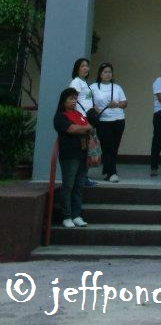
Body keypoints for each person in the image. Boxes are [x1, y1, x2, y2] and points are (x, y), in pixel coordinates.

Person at [53, 87, 93, 228]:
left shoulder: (78, 114)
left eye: (75, 99)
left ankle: (76, 215)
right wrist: (85, 128)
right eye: (70, 99)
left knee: (79, 186)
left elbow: (89, 126)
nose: (74, 101)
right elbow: (72, 129)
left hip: (82, 154)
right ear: (64, 101)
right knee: (68, 185)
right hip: (69, 155)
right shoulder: (60, 116)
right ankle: (66, 216)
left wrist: (85, 127)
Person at [90, 62, 128, 183]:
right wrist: (94, 107)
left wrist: (116, 104)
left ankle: (107, 169)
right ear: (100, 74)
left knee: (114, 147)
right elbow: (88, 102)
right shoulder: (93, 87)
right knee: (108, 146)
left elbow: (124, 103)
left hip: (118, 120)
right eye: (105, 72)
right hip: (103, 121)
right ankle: (112, 173)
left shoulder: (117, 87)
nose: (107, 74)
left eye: (109, 72)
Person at [69, 57, 97, 187]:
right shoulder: (76, 83)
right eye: (82, 66)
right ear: (77, 68)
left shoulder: (84, 82)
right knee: (83, 149)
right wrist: (78, 117)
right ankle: (81, 178)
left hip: (88, 119)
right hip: (82, 120)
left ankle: (84, 176)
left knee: (88, 150)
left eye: (87, 65)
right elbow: (73, 101)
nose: (86, 68)